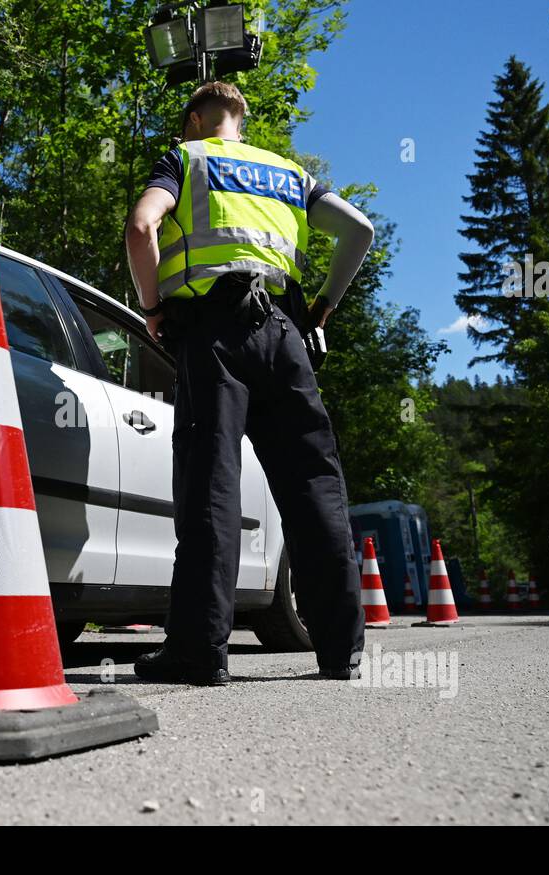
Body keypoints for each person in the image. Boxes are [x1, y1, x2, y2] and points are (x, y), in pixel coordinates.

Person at [124, 81, 375, 686]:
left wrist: (153, 307)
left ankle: (199, 651)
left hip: (214, 333)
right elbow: (361, 231)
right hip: (285, 333)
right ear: (241, 118)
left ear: (195, 119)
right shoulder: (289, 172)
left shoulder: (185, 159)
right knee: (314, 483)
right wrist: (320, 310)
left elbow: (141, 227)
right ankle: (339, 648)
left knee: (212, 485)